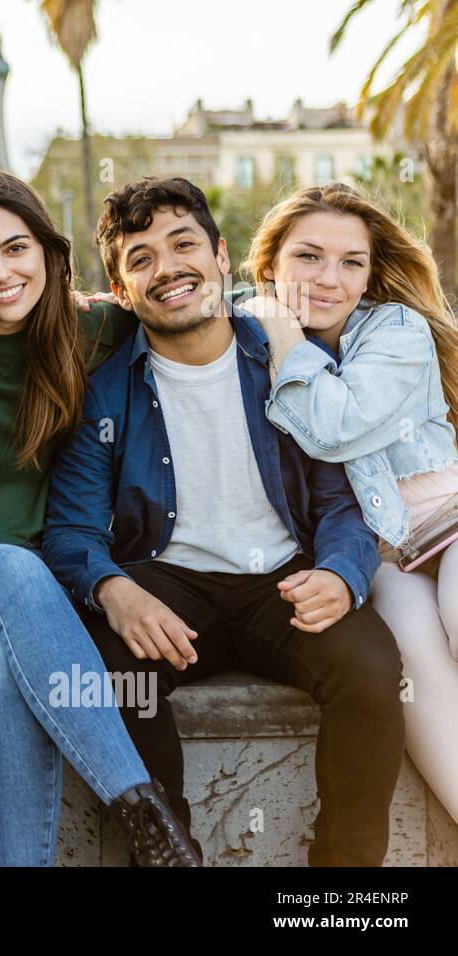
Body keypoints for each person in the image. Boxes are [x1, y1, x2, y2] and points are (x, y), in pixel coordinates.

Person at [44, 175, 404, 866]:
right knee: (118, 670)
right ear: (121, 290)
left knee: (370, 666)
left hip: (285, 581)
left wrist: (340, 573)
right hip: (171, 586)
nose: (168, 268)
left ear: (220, 255)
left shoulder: (290, 357)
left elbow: (343, 499)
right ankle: (175, 856)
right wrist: (114, 591)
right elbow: (71, 532)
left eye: (183, 245)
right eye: (140, 258)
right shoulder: (103, 393)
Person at [0, 168, 200, 867]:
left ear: (49, 252)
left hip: (28, 612)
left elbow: (198, 306)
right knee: (15, 567)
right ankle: (145, 812)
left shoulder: (93, 331)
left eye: (16, 249)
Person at [238, 182, 458, 826]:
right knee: (411, 665)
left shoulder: (396, 329)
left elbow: (337, 425)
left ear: (369, 275)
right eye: (308, 257)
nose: (329, 279)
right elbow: (167, 306)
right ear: (269, 265)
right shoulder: (241, 325)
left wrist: (283, 334)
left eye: (351, 262)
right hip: (383, 555)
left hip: (448, 520)